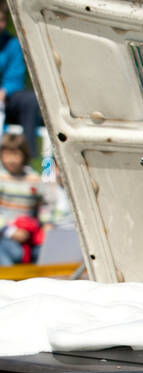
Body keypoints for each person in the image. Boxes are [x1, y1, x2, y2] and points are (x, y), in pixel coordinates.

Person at [0, 1, 42, 158]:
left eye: (2, 20)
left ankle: (27, 157)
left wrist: (4, 91)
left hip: (7, 100)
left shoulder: (13, 44)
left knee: (30, 100)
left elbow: (16, 77)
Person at [0, 129, 44, 264]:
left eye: (15, 155)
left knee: (42, 252)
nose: (11, 160)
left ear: (24, 155)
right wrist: (10, 231)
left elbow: (44, 205)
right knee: (14, 253)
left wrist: (46, 224)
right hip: (5, 232)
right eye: (7, 154)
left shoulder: (34, 179)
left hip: (29, 232)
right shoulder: (1, 178)